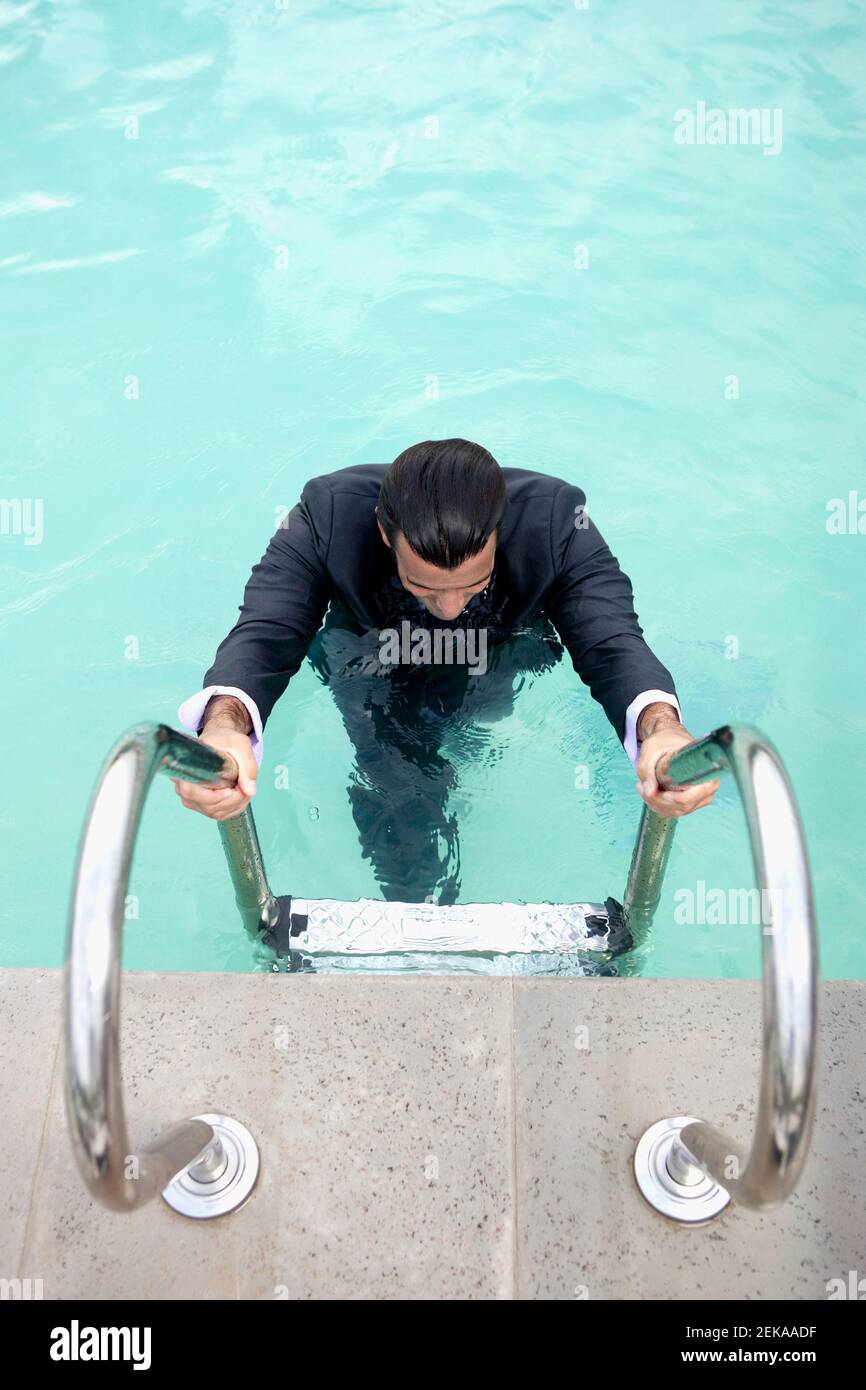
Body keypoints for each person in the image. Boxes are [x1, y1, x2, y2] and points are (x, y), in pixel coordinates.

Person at [174, 439, 718, 903]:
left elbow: (611, 639)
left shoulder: (557, 523)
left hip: (505, 643)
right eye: (427, 586)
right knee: (404, 810)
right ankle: (418, 914)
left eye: (471, 584)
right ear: (386, 537)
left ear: (500, 536)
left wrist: (661, 726)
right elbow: (267, 631)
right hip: (375, 652)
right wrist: (225, 726)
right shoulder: (327, 516)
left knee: (487, 711)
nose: (451, 607)